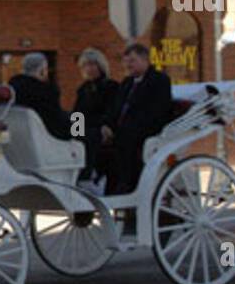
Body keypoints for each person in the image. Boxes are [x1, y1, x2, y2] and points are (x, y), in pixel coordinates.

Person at [102, 42, 172, 197]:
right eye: (125, 61)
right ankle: (95, 181)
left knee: (121, 142)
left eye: (132, 60)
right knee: (86, 138)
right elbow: (112, 110)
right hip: (90, 124)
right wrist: (106, 126)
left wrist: (120, 128)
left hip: (143, 131)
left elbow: (155, 112)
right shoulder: (83, 89)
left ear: (145, 60)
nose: (127, 64)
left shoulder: (158, 80)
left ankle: (123, 186)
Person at [72, 47, 120, 183]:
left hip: (102, 129)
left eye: (92, 64)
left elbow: (113, 110)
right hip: (85, 129)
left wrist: (106, 126)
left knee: (89, 139)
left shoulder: (111, 86)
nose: (89, 69)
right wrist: (74, 131)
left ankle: (88, 176)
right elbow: (77, 113)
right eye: (85, 65)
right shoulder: (83, 89)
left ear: (101, 66)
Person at [8, 52, 72, 141]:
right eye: (46, 69)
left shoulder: (12, 88)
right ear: (41, 70)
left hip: (21, 137)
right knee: (81, 122)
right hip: (47, 136)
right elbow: (54, 118)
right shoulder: (46, 91)